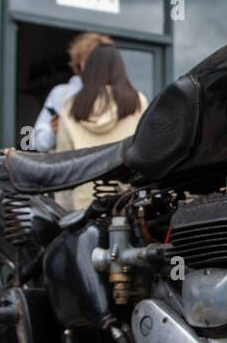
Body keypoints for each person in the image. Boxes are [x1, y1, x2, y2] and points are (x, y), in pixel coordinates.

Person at [54, 42, 148, 210]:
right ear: (120, 68)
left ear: (89, 69)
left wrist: (64, 212)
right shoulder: (138, 102)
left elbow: (63, 165)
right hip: (125, 202)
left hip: (83, 206)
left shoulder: (70, 107)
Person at [28, 31, 112, 152]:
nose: (94, 65)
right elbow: (36, 143)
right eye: (89, 59)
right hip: (70, 166)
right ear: (79, 62)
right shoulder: (60, 94)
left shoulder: (122, 96)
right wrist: (53, 132)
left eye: (99, 60)